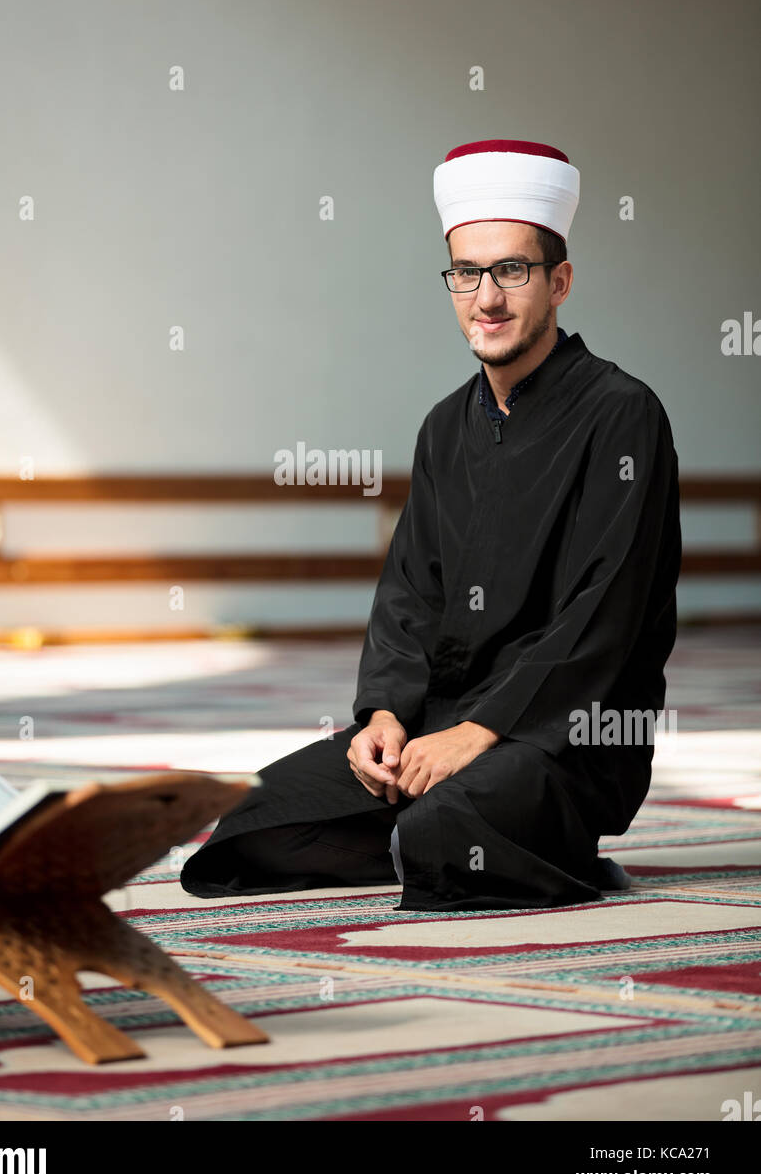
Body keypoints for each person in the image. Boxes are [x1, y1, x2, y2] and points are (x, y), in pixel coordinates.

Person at [180, 138, 682, 911]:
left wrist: (480, 733)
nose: (487, 298)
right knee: (249, 826)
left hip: (562, 736)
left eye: (512, 270)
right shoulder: (445, 426)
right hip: (436, 726)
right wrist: (384, 715)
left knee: (447, 828)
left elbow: (604, 617)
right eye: (466, 273)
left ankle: (519, 839)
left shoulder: (621, 415)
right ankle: (445, 835)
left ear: (559, 282)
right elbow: (409, 593)